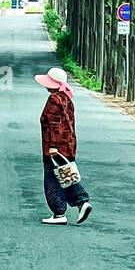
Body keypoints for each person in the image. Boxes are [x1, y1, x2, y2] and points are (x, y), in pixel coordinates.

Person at [35, 65, 91, 225]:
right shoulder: (67, 98)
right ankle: (82, 203)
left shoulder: (54, 99)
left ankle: (59, 213)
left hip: (54, 148)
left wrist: (53, 146)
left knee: (53, 179)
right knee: (65, 175)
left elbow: (54, 124)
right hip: (68, 146)